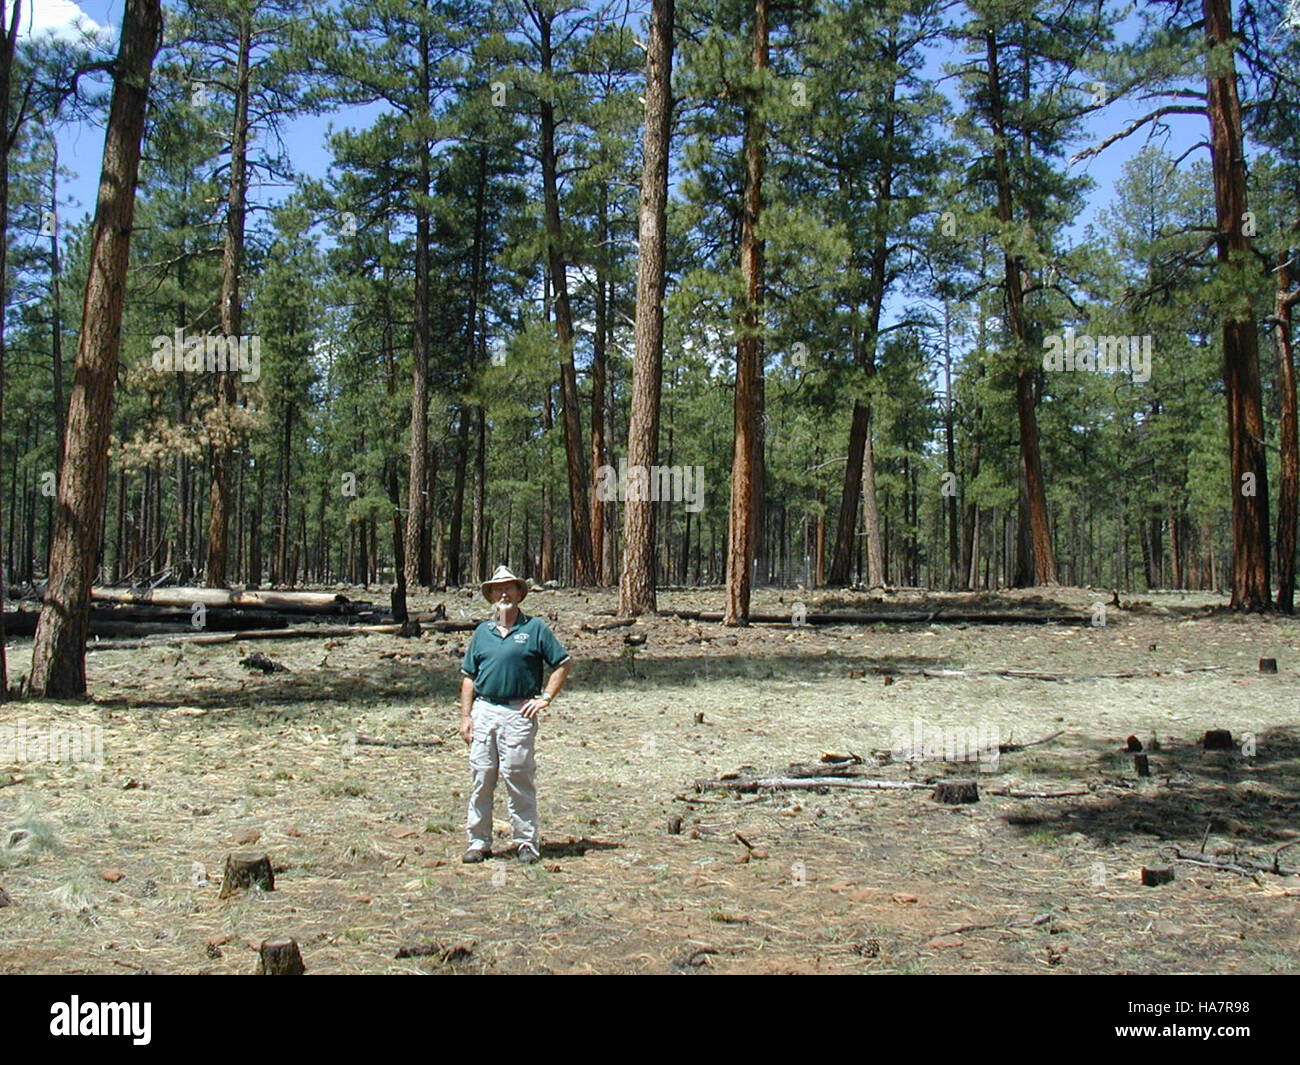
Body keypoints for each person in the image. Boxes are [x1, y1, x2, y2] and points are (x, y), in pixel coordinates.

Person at [458, 565, 571, 864]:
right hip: (484, 711)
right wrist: (466, 716)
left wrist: (545, 697)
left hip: (518, 714)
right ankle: (478, 842)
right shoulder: (483, 632)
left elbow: (563, 663)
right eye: (498, 589)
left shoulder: (535, 629)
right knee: (482, 777)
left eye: (509, 588)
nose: (504, 594)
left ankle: (525, 843)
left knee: (518, 778)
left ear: (520, 593)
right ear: (491, 596)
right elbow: (469, 676)